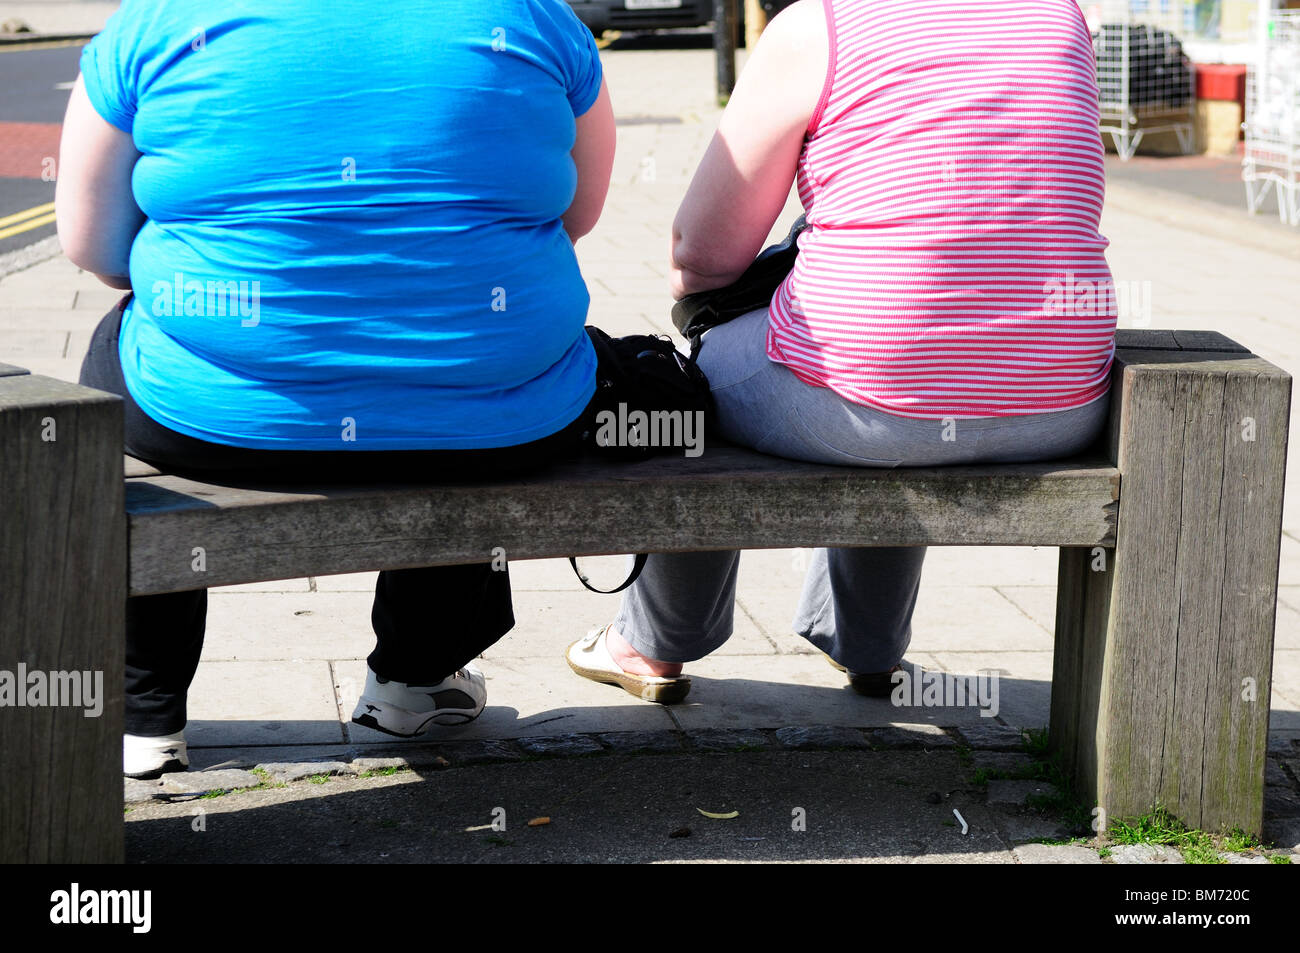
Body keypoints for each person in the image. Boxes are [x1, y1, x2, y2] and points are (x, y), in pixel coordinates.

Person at [55, 0, 615, 778]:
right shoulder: (532, 14)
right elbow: (578, 213)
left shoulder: (160, 18)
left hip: (210, 413)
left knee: (113, 363)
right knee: (456, 355)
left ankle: (140, 710)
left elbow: (91, 242)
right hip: (501, 410)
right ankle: (418, 678)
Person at [566, 0, 1117, 702]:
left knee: (689, 385)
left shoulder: (818, 25)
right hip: (1061, 399)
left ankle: (653, 642)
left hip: (867, 399)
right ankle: (867, 647)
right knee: (896, 340)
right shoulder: (1060, 17)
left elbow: (698, 254)